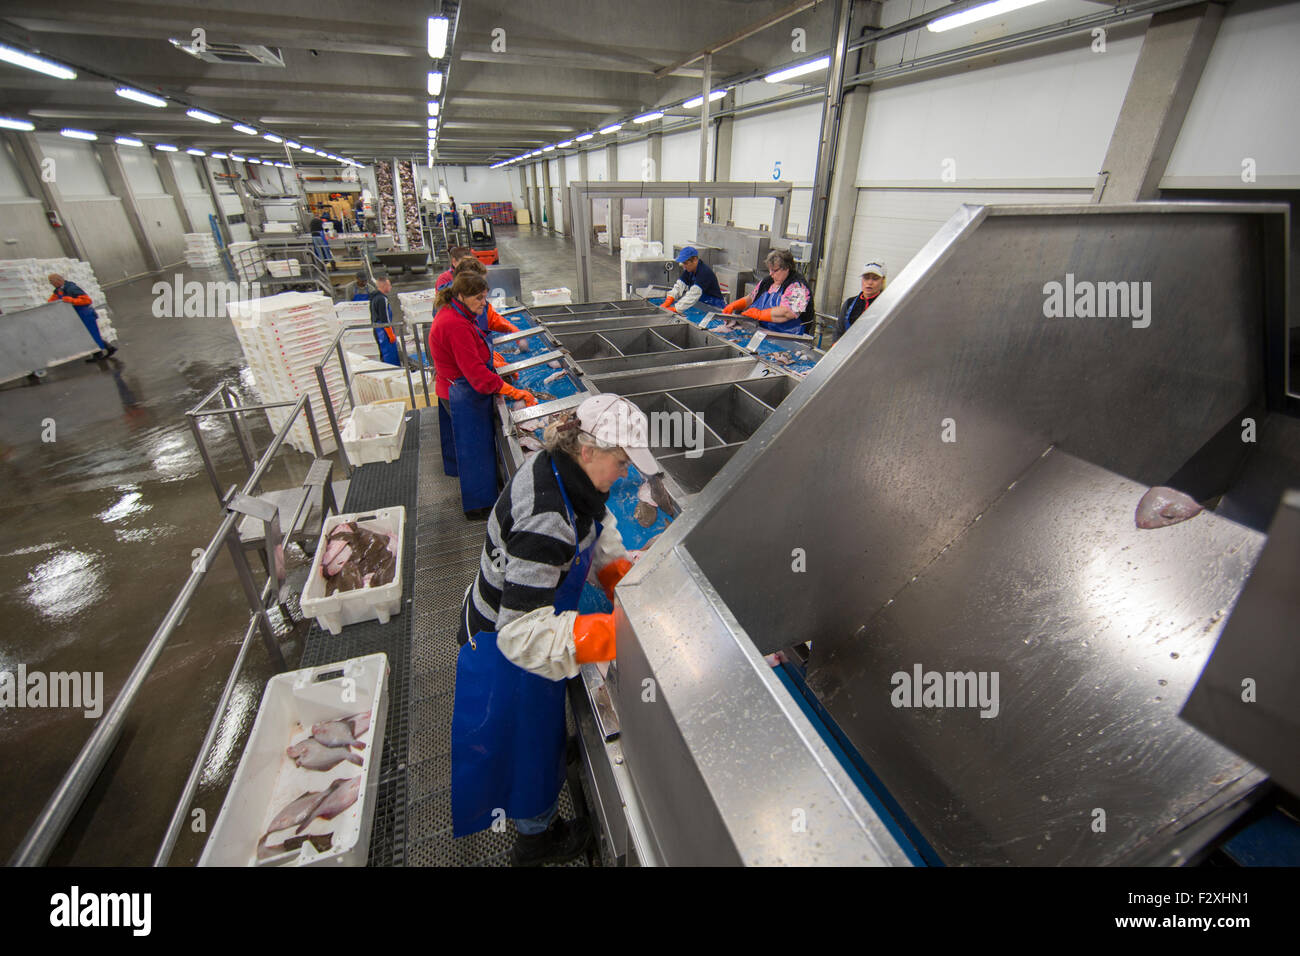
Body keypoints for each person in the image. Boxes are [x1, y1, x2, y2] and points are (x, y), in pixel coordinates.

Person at [451, 393, 655, 864]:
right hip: (502, 647)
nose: (624, 473)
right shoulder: (546, 516)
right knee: (524, 747)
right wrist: (611, 634)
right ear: (589, 451)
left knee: (541, 734)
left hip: (523, 625)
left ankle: (546, 770)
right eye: (621, 461)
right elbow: (521, 635)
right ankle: (536, 840)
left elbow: (596, 525)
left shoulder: (570, 475)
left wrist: (615, 575)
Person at [429, 272, 537, 518]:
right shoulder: (455, 324)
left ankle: (473, 486)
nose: (483, 304)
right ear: (461, 296)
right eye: (478, 298)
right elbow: (476, 374)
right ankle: (480, 508)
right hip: (461, 392)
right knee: (475, 449)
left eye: (485, 297)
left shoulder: (456, 313)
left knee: (467, 448)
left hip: (455, 386)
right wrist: (509, 389)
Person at [721, 248, 814, 335]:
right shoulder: (768, 281)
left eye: (774, 270)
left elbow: (788, 313)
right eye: (770, 270)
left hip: (790, 337)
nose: (771, 274)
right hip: (764, 331)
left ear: (786, 268)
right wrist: (734, 305)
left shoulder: (799, 287)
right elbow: (751, 297)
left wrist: (759, 314)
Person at [48, 273, 116, 360]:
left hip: (85, 313)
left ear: (59, 280)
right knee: (87, 336)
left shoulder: (72, 288)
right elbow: (53, 299)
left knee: (92, 335)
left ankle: (108, 349)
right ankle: (99, 354)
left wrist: (72, 300)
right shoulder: (59, 290)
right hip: (77, 315)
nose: (52, 284)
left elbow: (87, 300)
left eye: (52, 282)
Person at [660, 246, 725, 312]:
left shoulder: (704, 272)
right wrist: (670, 299)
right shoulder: (689, 270)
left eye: (685, 263)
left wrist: (676, 308)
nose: (684, 266)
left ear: (695, 260)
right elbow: (679, 285)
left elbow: (693, 294)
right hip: (702, 305)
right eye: (683, 263)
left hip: (715, 308)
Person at [839, 262, 886, 339]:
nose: (869, 283)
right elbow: (839, 331)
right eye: (866, 278)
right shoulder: (849, 303)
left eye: (875, 278)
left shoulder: (885, 306)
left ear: (882, 280)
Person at [368, 274, 401, 367]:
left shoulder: (374, 297)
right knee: (390, 357)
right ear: (384, 286)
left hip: (377, 329)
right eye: (389, 285)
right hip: (384, 332)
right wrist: (390, 334)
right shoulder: (382, 299)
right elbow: (385, 319)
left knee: (383, 355)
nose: (390, 287)